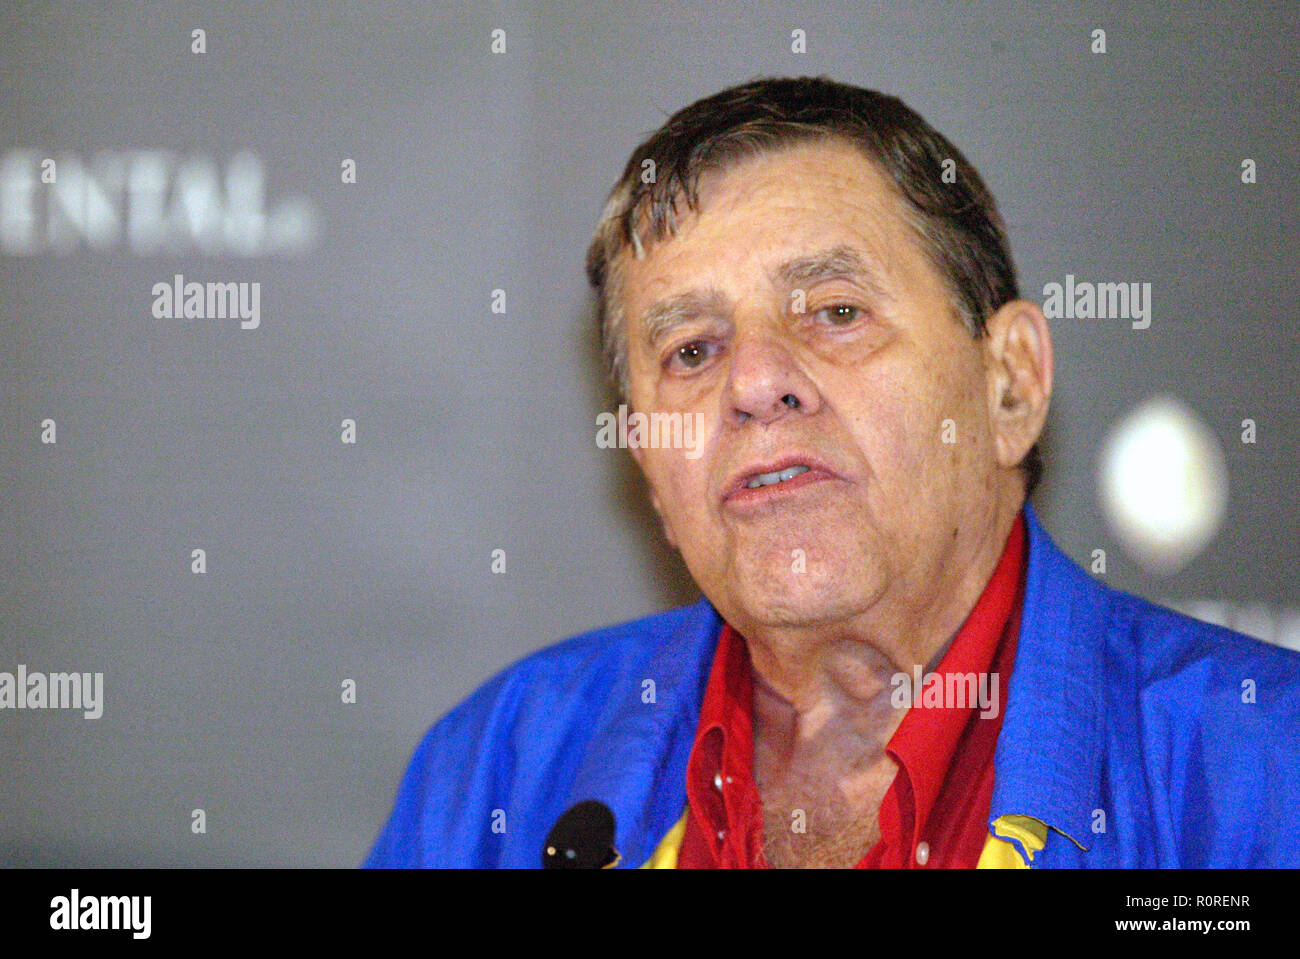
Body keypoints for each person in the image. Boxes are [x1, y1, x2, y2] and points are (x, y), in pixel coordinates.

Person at [365, 76, 1300, 868]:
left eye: (836, 312)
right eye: (691, 350)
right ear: (649, 465)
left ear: (1009, 385)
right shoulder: (495, 774)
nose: (754, 382)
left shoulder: (1263, 771)